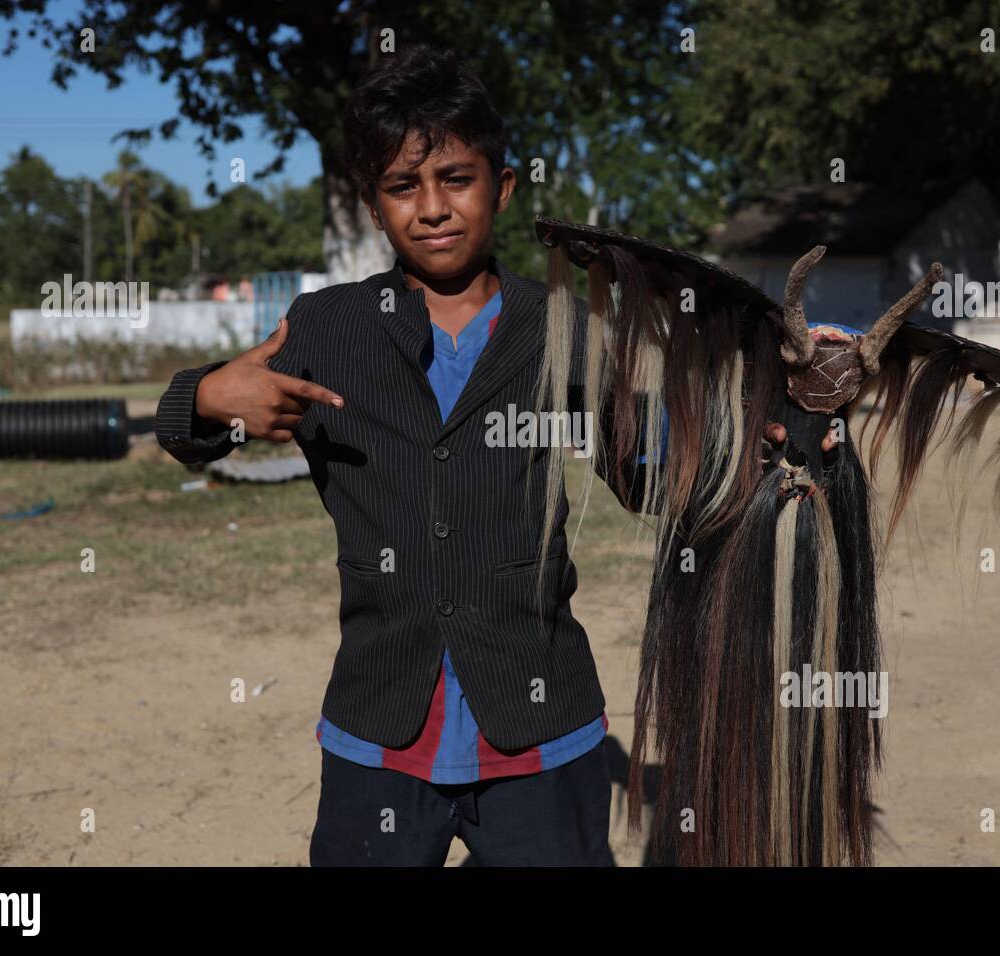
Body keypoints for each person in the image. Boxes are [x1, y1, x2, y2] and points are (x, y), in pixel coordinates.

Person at [156, 45, 833, 867]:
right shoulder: (327, 327)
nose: (433, 208)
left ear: (502, 188)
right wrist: (206, 399)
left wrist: (768, 427)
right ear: (375, 208)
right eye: (403, 187)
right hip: (380, 727)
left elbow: (650, 470)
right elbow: (185, 433)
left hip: (540, 726)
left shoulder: (564, 328)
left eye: (456, 178)